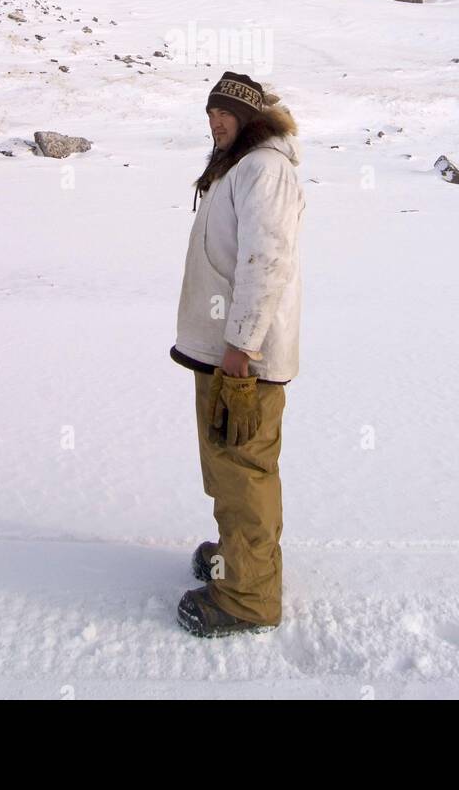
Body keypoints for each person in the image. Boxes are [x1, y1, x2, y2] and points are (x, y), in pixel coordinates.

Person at [170, 70, 305, 637]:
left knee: (244, 468)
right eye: (209, 112)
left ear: (249, 117)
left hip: (242, 357)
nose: (215, 121)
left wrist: (241, 346)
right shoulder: (241, 167)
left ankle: (247, 597)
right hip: (223, 350)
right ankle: (239, 556)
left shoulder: (264, 169)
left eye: (224, 113)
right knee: (227, 466)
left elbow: (264, 262)